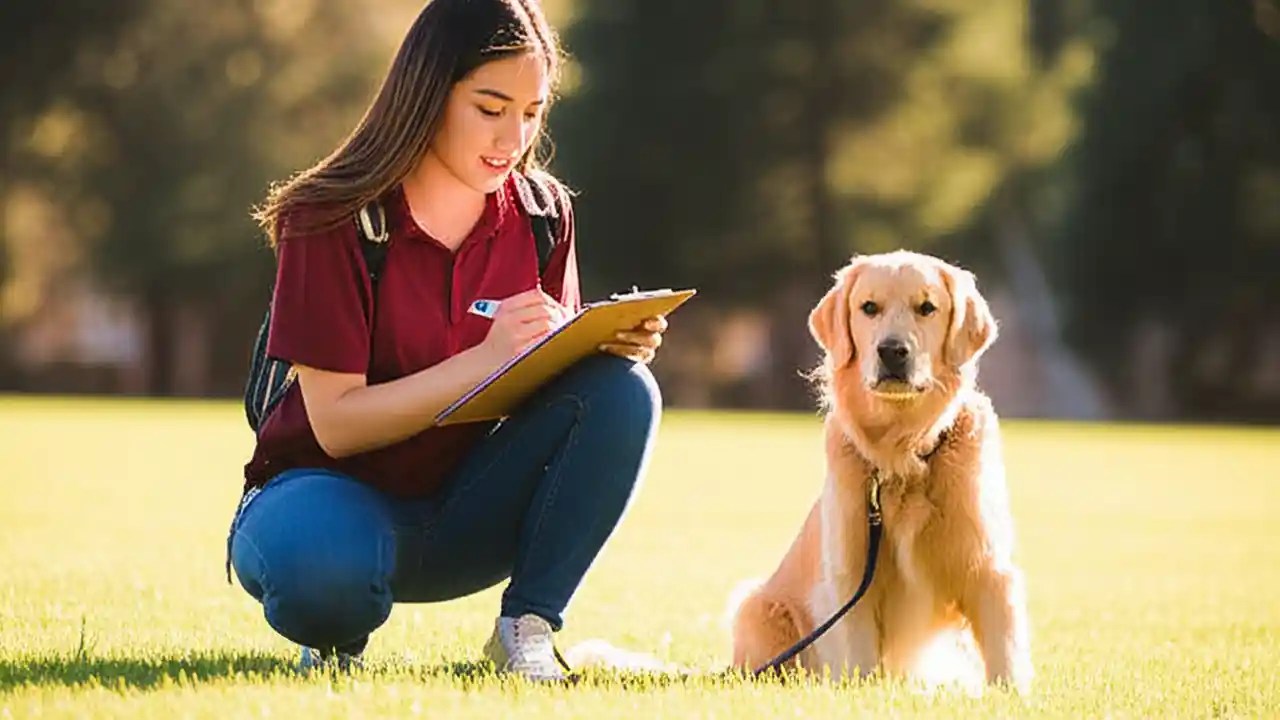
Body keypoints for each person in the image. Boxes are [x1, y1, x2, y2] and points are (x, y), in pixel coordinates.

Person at [226, 0, 667, 682]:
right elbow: (337, 424)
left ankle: (528, 627)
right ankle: (336, 630)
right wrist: (483, 360)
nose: (512, 136)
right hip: (320, 502)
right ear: (430, 93)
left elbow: (546, 393)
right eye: (489, 108)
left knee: (622, 390)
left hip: (464, 516)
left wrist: (596, 349)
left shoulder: (544, 215)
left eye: (531, 112)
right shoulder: (331, 215)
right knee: (322, 572)